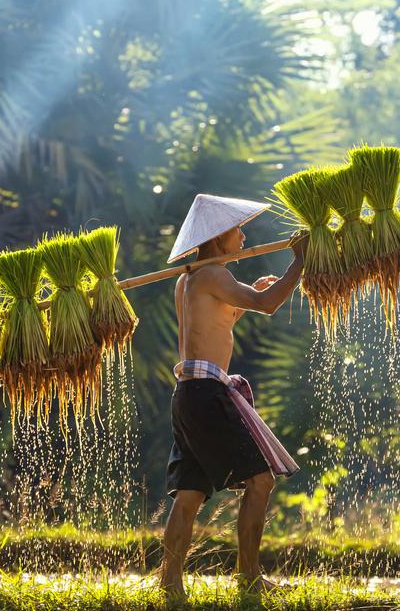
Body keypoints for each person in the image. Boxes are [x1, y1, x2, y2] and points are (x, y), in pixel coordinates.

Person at [159, 194, 307, 600]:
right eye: (237, 230)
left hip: (188, 394)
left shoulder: (189, 279)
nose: (243, 237)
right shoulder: (214, 275)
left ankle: (170, 584)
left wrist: (250, 296)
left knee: (189, 494)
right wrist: (298, 262)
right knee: (261, 480)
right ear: (219, 237)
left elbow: (218, 320)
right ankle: (249, 577)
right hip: (207, 395)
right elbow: (267, 305)